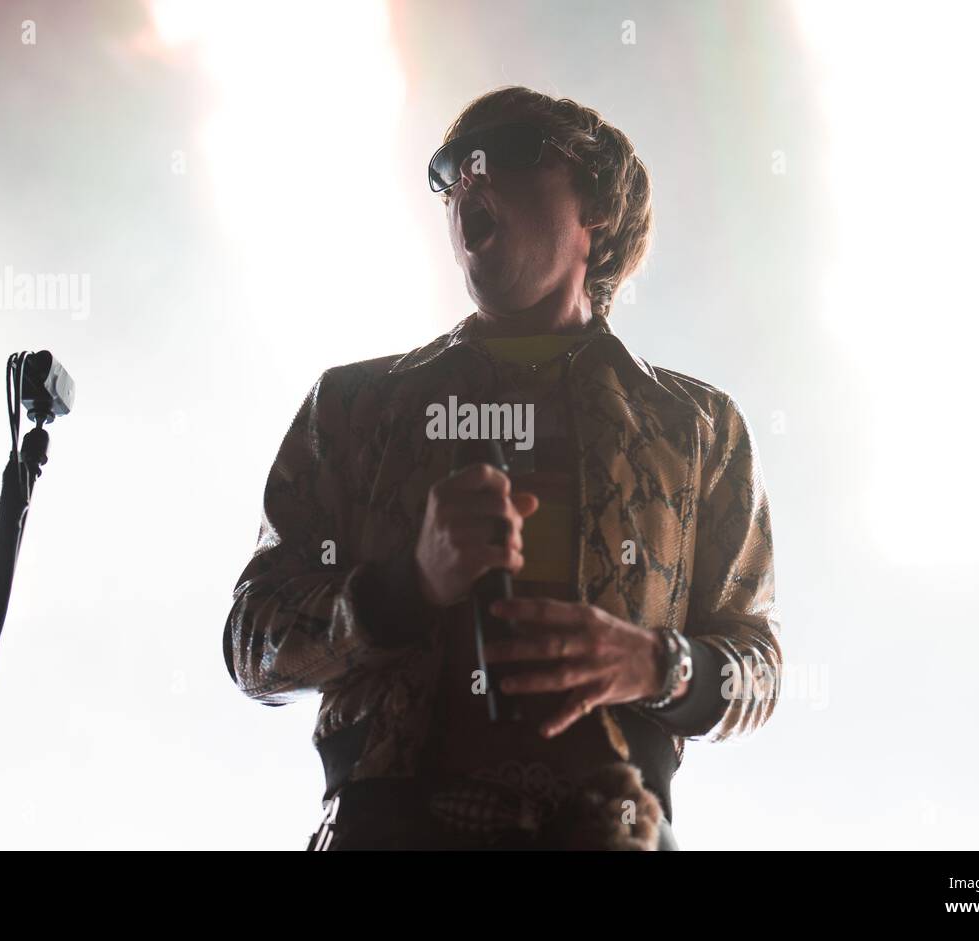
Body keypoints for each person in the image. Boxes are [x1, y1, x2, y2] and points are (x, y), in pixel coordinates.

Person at [223, 86, 783, 850]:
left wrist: (659, 663)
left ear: (598, 210)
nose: (466, 180)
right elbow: (252, 644)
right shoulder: (353, 407)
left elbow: (759, 662)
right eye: (447, 171)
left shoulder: (697, 427)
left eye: (507, 152)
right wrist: (402, 588)